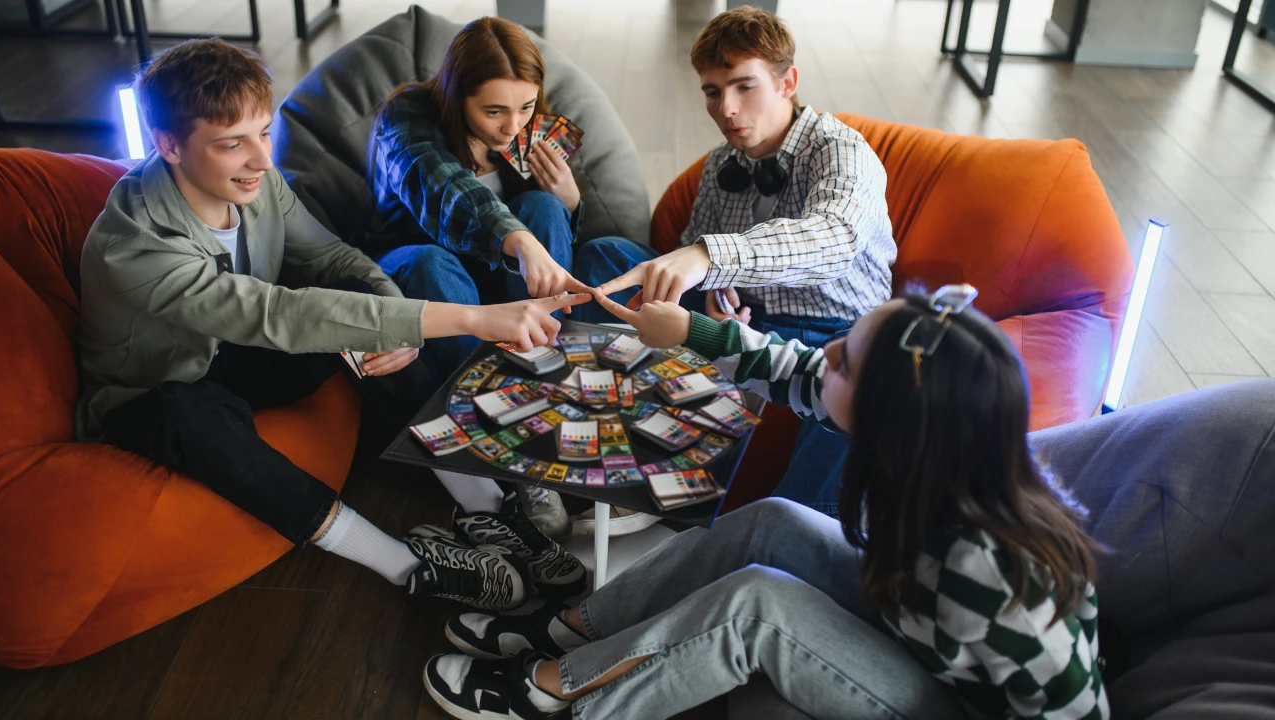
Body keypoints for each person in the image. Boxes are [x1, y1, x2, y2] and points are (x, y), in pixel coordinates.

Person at [421, 285, 1113, 719]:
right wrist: (691, 331)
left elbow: (1074, 705)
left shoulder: (986, 567)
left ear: (889, 417)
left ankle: (559, 694)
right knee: (774, 521)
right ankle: (573, 626)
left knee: (759, 605)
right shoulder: (927, 457)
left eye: (847, 360)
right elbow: (797, 369)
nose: (829, 351)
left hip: (954, 702)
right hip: (919, 632)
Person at [77, 39, 589, 613]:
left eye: (264, 133)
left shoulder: (256, 181)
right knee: (190, 417)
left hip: (239, 357)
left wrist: (390, 313)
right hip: (157, 390)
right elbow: (279, 314)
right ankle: (405, 566)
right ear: (167, 144)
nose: (262, 160)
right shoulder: (134, 248)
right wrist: (471, 318)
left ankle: (490, 510)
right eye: (231, 145)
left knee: (364, 306)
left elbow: (331, 258)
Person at [572, 6, 897, 515]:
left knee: (808, 499)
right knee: (602, 257)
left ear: (787, 81)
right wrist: (718, 302)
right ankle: (585, 424)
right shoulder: (723, 162)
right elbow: (690, 248)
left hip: (834, 329)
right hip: (745, 311)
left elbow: (834, 238)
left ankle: (790, 531)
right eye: (712, 91)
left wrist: (706, 257)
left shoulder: (842, 152)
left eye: (745, 86)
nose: (727, 108)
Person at [369, 16, 592, 385]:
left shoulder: (530, 130)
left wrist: (570, 203)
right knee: (432, 261)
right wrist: (520, 241)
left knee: (545, 206)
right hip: (419, 268)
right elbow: (447, 190)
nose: (513, 126)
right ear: (458, 98)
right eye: (494, 111)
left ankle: (543, 356)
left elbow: (552, 224)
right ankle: (479, 387)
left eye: (526, 106)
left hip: (501, 279)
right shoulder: (406, 114)